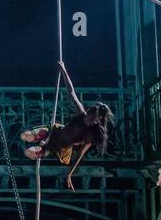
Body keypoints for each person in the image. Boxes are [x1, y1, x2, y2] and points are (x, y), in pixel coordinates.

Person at [21, 61, 114, 190]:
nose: (89, 119)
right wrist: (64, 70)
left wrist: (69, 174)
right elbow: (72, 93)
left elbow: (79, 155)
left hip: (58, 147)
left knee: (29, 153)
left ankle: (43, 146)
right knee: (25, 136)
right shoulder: (81, 114)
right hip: (54, 132)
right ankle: (42, 141)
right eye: (89, 116)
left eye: (92, 119)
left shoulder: (90, 135)